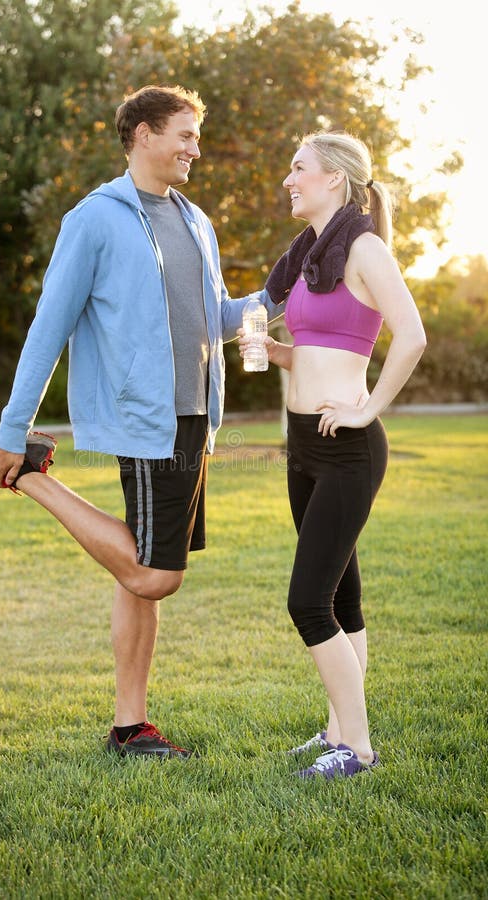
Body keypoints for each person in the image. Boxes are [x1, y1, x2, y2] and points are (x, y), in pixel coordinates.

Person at [0, 84, 280, 759]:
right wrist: (15, 432)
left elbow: (216, 320)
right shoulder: (94, 219)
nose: (195, 147)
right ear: (143, 134)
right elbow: (50, 327)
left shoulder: (196, 221)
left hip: (194, 417)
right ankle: (30, 475)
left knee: (139, 568)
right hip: (146, 418)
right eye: (184, 134)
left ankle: (131, 728)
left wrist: (280, 291)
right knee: (157, 574)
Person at [240, 131, 426, 779]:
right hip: (302, 447)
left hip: (348, 449)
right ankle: (335, 731)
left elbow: (412, 335)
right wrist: (262, 347)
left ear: (335, 181)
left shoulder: (366, 248)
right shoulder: (307, 258)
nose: (288, 178)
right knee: (342, 602)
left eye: (298, 168)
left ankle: (360, 749)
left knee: (308, 602)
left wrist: (369, 408)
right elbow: (311, 353)